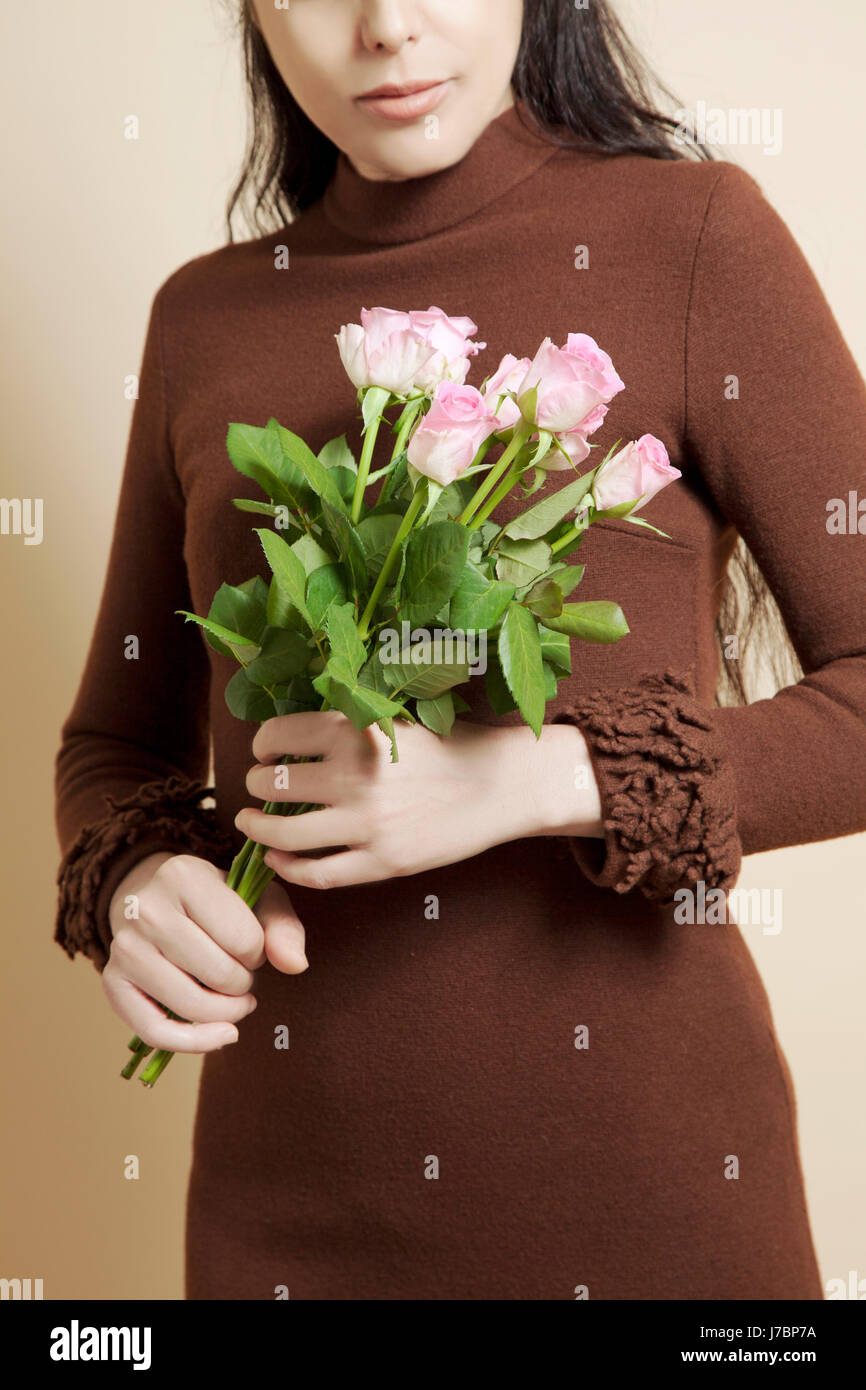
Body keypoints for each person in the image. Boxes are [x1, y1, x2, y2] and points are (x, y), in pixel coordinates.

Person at [54, 0, 866, 1300]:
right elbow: (115, 740)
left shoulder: (695, 238)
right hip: (283, 1209)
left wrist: (527, 778)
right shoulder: (203, 318)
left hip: (651, 1203)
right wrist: (134, 881)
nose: (385, 26)